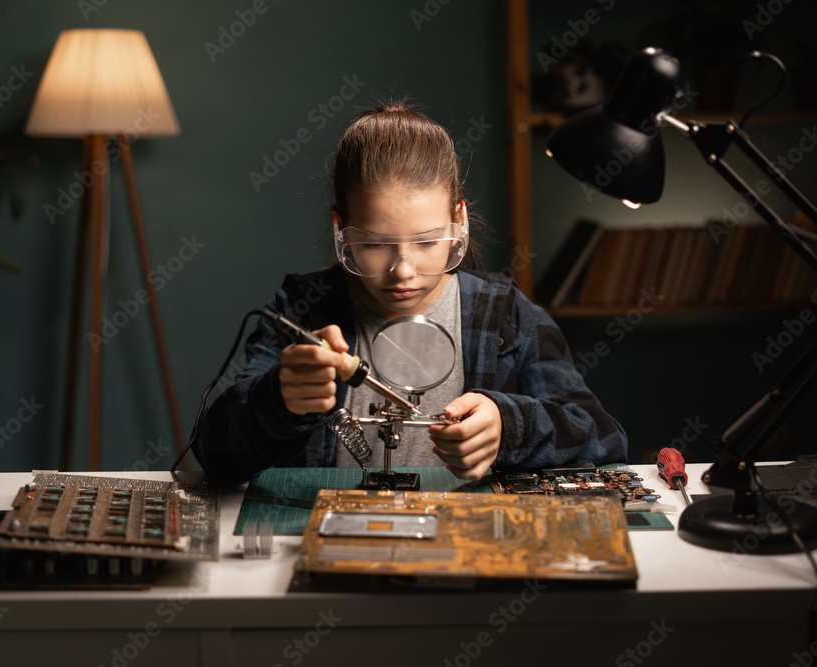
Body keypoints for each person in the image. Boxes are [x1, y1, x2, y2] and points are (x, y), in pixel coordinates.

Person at [193, 102, 628, 486]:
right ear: (340, 227)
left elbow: (605, 437)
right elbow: (215, 457)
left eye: (427, 241)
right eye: (374, 244)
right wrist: (277, 400)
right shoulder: (301, 310)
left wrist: (509, 427)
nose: (403, 271)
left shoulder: (505, 315)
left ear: (459, 219)